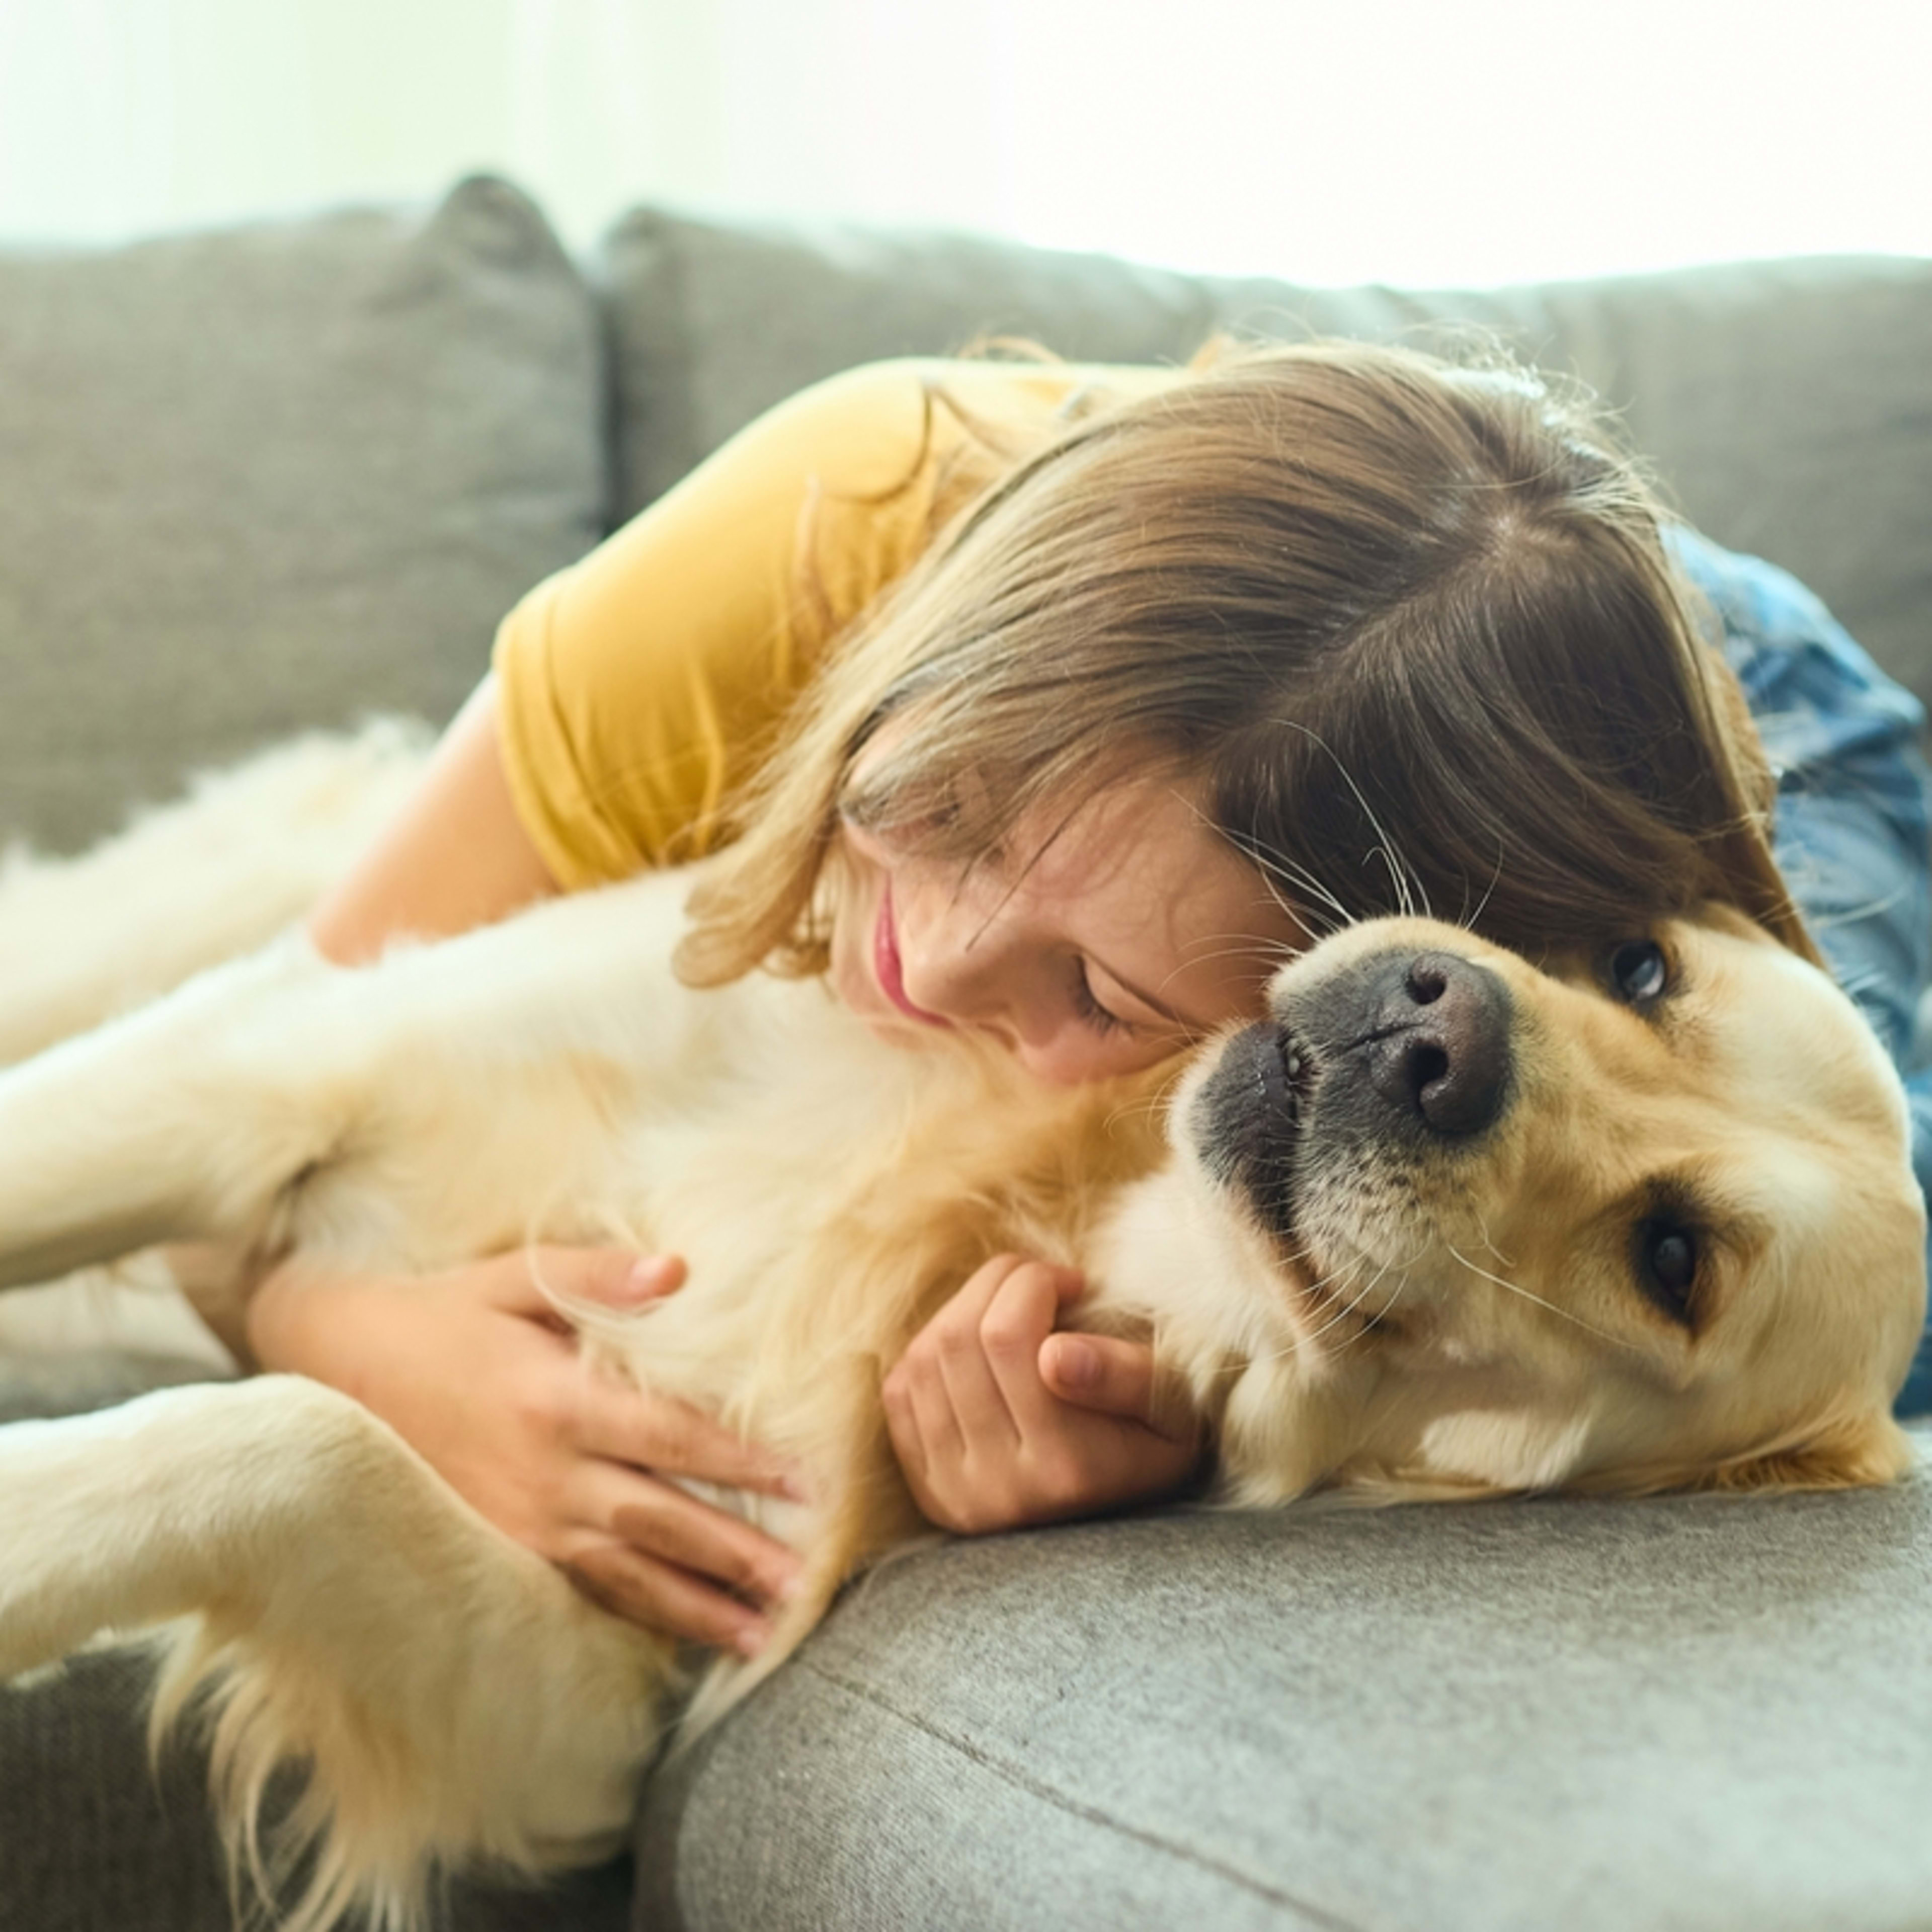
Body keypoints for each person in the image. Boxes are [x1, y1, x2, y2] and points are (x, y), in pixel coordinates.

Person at [239, 340, 1932, 1662]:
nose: (929, 965)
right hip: (1452, 600)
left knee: (1844, 1312)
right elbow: (245, 1072)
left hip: (1742, 745)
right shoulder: (816, 541)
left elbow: (1371, 1324)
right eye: (948, 800)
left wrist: (1155, 1443)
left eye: (1100, 991)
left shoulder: (1435, 1004)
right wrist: (339, 1337)